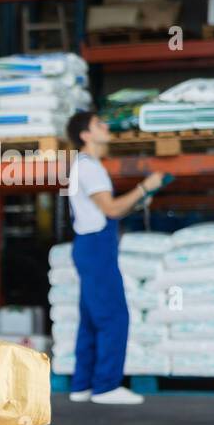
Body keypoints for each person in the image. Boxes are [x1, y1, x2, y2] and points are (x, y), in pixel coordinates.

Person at [63, 111, 164, 406]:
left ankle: (82, 384)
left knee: (92, 318)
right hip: (96, 247)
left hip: (89, 244)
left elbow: (107, 209)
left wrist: (138, 199)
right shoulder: (90, 167)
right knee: (113, 316)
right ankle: (106, 386)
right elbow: (110, 209)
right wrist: (145, 187)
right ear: (85, 135)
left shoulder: (82, 165)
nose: (106, 127)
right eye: (99, 124)